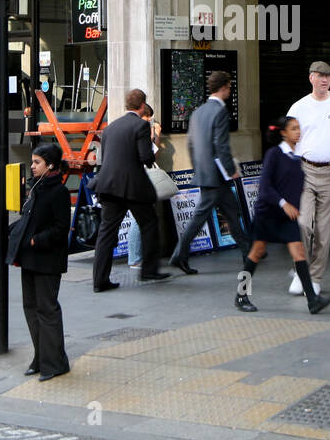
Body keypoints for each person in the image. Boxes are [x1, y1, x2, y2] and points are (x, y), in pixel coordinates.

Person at [235, 117, 330, 314]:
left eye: (299, 128)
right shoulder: (274, 154)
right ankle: (241, 295)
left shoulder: (296, 157)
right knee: (255, 254)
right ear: (283, 132)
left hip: (287, 217)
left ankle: (312, 300)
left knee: (299, 253)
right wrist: (284, 204)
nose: (298, 131)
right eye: (293, 128)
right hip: (268, 214)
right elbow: (265, 188)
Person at [90, 88, 169, 291]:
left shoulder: (110, 128)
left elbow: (106, 158)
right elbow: (145, 157)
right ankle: (149, 270)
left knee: (106, 233)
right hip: (132, 187)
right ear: (142, 106)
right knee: (149, 223)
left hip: (108, 186)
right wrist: (152, 147)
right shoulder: (141, 126)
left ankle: (99, 281)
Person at [285, 60, 330, 295]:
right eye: (320, 75)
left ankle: (314, 277)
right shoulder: (298, 107)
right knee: (303, 223)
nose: (325, 80)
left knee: (324, 229)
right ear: (311, 78)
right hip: (304, 170)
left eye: (329, 76)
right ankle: (300, 269)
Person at [171, 70, 249, 273]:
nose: (230, 90)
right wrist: (231, 170)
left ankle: (248, 252)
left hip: (207, 173)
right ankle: (179, 255)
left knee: (232, 212)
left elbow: (190, 144)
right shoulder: (220, 112)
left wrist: (200, 169)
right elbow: (221, 144)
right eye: (229, 87)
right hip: (217, 175)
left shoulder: (198, 112)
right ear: (223, 88)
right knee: (200, 218)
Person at [7, 143, 71, 381]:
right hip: (30, 259)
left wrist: (36, 241)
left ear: (50, 165)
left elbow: (61, 228)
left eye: (37, 162)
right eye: (33, 162)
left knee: (47, 310)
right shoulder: (36, 188)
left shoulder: (59, 192)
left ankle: (55, 363)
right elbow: (27, 219)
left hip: (47, 260)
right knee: (31, 308)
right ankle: (41, 356)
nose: (32, 166)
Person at [125, 103, 162, 271]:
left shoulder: (128, 129)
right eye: (148, 117)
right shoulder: (142, 130)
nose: (149, 120)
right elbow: (152, 155)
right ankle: (135, 258)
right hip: (142, 177)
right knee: (138, 220)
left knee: (139, 219)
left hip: (130, 178)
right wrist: (157, 135)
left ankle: (139, 257)